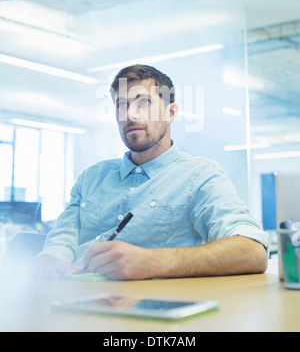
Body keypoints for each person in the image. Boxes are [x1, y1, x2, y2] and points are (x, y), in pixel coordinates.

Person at [35, 64, 269, 280]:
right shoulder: (90, 178)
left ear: (171, 113)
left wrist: (154, 262)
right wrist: (50, 264)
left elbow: (252, 251)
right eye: (122, 105)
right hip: (73, 306)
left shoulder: (199, 177)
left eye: (143, 103)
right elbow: (59, 243)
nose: (131, 115)